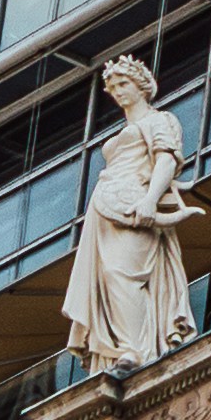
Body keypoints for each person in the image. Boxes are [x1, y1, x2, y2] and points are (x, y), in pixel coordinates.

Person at [67, 55, 198, 369]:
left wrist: (151, 200)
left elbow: (166, 160)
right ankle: (126, 349)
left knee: (121, 273)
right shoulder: (127, 129)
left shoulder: (159, 120)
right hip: (107, 210)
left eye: (123, 83)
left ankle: (136, 350)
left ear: (142, 85)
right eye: (112, 87)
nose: (118, 92)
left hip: (135, 204)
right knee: (108, 279)